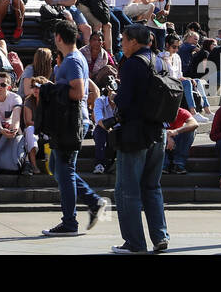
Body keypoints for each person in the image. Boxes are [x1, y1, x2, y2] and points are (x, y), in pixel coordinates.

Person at [41, 19, 108, 236]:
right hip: (69, 121)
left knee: (65, 171)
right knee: (58, 167)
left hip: (70, 123)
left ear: (58, 38)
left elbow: (79, 92)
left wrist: (49, 90)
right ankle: (93, 201)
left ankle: (70, 222)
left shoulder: (71, 60)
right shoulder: (73, 59)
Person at [109, 22, 171, 254]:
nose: (122, 44)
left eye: (124, 40)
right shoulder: (160, 61)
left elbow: (124, 102)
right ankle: (160, 236)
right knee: (152, 187)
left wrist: (115, 96)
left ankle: (134, 243)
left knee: (127, 189)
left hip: (135, 132)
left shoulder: (133, 64)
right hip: (159, 130)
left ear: (134, 41)